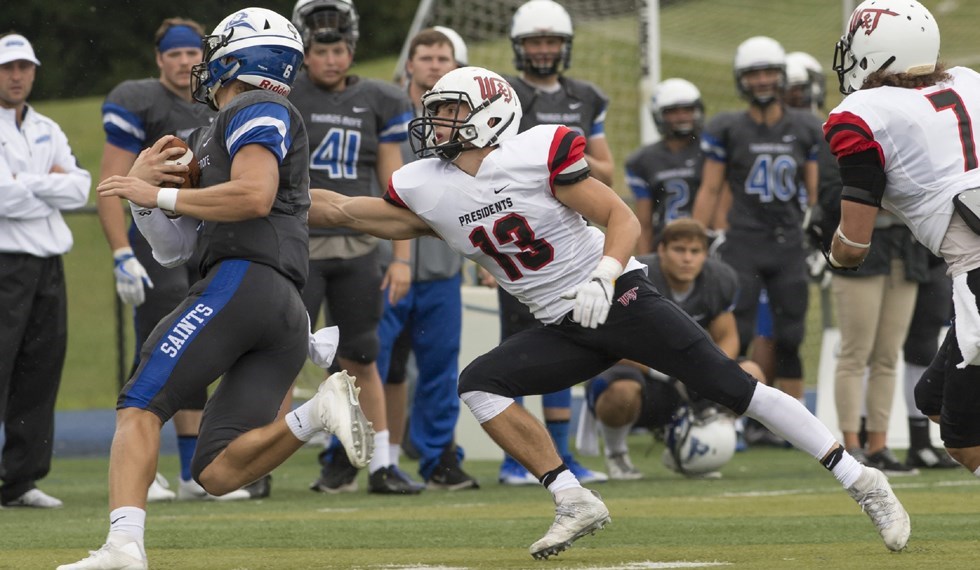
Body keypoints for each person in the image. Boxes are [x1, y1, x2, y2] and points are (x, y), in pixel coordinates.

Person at [310, 65, 911, 558]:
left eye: (449, 110)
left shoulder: (536, 152)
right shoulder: (429, 186)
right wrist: (265, 196)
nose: (435, 121)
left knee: (732, 386)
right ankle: (574, 499)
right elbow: (340, 210)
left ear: (489, 116)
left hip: (619, 299)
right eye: (436, 109)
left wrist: (605, 274)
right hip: (563, 323)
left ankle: (862, 480)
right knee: (482, 385)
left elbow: (621, 216)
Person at [58, 9, 373, 569]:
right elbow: (176, 247)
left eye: (215, 51)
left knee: (139, 405)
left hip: (244, 280)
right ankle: (316, 413)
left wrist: (157, 196)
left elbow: (253, 196)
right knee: (218, 470)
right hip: (276, 303)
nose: (202, 64)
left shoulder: (257, 106)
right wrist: (144, 195)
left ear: (244, 58)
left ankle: (123, 547)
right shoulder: (210, 132)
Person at [97, 17, 259, 503]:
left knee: (197, 344)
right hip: (155, 236)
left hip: (205, 231)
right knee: (164, 341)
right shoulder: (138, 100)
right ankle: (143, 462)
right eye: (175, 53)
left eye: (194, 53)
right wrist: (122, 253)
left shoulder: (224, 99)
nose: (186, 61)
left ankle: (192, 468)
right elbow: (113, 181)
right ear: (158, 59)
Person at [826, 0, 980, 479]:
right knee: (930, 398)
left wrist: (830, 250)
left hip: (975, 272)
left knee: (966, 444)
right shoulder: (969, 82)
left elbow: (853, 245)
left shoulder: (864, 112)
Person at [289, 0, 417, 496]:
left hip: (357, 246)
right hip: (297, 246)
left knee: (363, 354)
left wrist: (402, 257)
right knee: (278, 357)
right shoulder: (283, 96)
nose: (331, 60)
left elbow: (395, 185)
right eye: (321, 50)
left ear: (352, 49)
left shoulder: (378, 100)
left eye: (339, 49)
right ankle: (257, 467)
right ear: (304, 52)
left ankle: (382, 463)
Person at [494, 0, 612, 486]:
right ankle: (514, 460)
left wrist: (563, 160)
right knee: (517, 348)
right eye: (535, 42)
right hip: (518, 238)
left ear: (565, 47)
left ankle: (563, 456)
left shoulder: (587, 96)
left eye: (551, 42)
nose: (543, 51)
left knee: (569, 342)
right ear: (519, 48)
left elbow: (605, 169)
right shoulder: (505, 97)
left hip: (568, 238)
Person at [692, 36, 823, 431]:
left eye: (769, 72)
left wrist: (819, 241)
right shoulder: (728, 127)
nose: (763, 81)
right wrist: (699, 237)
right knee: (740, 330)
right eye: (754, 74)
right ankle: (733, 418)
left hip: (787, 241)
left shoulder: (806, 125)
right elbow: (711, 188)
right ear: (741, 80)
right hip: (744, 241)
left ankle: (797, 426)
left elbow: (816, 196)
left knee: (791, 334)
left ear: (781, 76)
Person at [582, 219, 764, 479]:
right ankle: (616, 453)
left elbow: (728, 335)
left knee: (751, 371)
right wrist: (665, 372)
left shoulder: (718, 279)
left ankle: (709, 438)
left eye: (695, 251)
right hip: (646, 376)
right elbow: (613, 343)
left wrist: (712, 371)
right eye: (679, 250)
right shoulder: (636, 276)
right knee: (620, 392)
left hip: (693, 375)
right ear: (662, 250)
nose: (687, 259)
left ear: (705, 254)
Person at [376, 27, 477, 491]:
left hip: (440, 266)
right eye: (427, 56)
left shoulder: (477, 122)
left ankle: (439, 459)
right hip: (381, 264)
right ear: (409, 64)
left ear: (456, 66)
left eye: (444, 57)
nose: (435, 64)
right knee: (366, 363)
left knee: (440, 368)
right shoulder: (382, 110)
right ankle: (349, 458)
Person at [0, 32, 91, 509]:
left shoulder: (48, 128)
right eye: (7, 67)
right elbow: (1, 197)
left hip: (47, 264)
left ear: (34, 71)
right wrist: (44, 185)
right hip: (3, 263)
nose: (16, 76)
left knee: (40, 372)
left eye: (24, 67)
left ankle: (20, 482)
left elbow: (79, 189)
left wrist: (23, 184)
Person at [626, 78, 705, 253]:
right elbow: (644, 223)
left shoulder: (710, 152)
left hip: (705, 240)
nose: (682, 116)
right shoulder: (643, 160)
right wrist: (646, 263)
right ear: (659, 115)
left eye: (687, 109)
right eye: (673, 111)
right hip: (666, 245)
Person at [902, 257, 959, 468]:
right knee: (876, 355)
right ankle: (864, 444)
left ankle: (921, 443)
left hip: (939, 261)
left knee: (924, 349)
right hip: (894, 258)